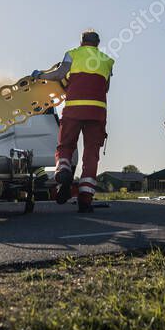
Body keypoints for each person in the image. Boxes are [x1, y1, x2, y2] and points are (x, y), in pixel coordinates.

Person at [32, 30, 114, 213]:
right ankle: (85, 200)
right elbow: (106, 87)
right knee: (91, 154)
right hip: (97, 112)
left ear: (82, 41)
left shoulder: (73, 54)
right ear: (98, 43)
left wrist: (39, 75)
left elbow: (59, 74)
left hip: (75, 108)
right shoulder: (107, 61)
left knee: (65, 146)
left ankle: (63, 171)